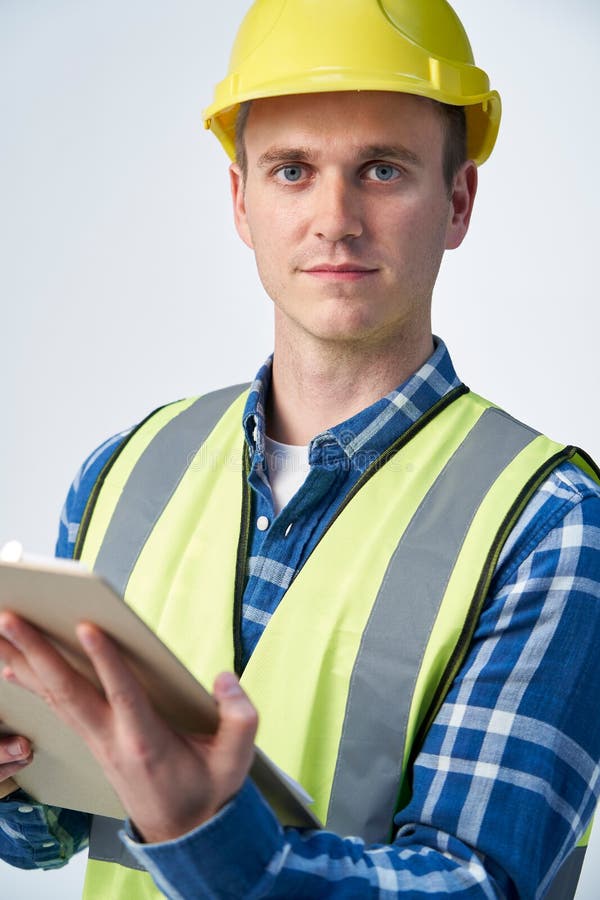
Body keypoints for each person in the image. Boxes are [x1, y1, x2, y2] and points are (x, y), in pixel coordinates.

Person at [1, 1, 600, 898]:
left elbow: (477, 884)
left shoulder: (550, 521)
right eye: (291, 170)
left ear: (458, 202)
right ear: (242, 202)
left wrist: (210, 836)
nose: (335, 219)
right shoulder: (126, 470)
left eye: (382, 170)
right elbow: (47, 836)